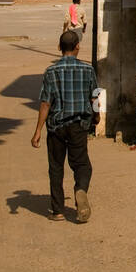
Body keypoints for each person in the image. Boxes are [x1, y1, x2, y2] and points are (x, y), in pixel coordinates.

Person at [32, 30, 98, 222]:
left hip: (56, 127)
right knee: (82, 165)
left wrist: (37, 131)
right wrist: (97, 117)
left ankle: (58, 210)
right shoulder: (88, 70)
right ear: (78, 47)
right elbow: (95, 97)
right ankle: (80, 189)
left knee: (56, 167)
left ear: (59, 48)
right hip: (79, 125)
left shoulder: (51, 72)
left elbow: (45, 103)